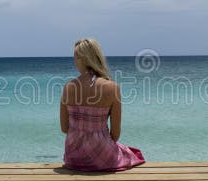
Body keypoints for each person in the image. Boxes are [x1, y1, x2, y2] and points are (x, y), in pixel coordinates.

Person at [59, 38, 145, 171]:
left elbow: (65, 128)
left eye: (75, 57)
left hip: (74, 158)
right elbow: (115, 134)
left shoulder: (68, 87)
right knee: (133, 153)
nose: (74, 61)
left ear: (81, 59)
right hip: (103, 158)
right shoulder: (113, 88)